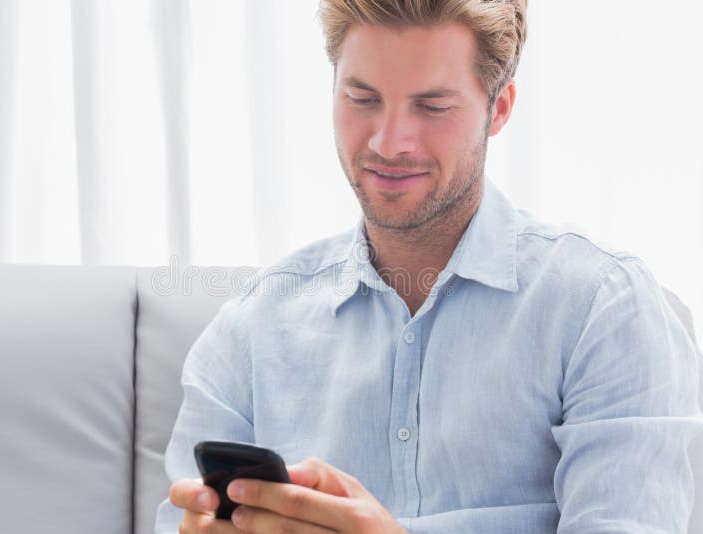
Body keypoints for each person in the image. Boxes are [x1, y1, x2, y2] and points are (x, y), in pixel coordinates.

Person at [154, 1, 703, 532]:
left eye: (433, 106)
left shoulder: (603, 310)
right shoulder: (249, 331)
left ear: (499, 108)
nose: (389, 143)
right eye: (362, 98)